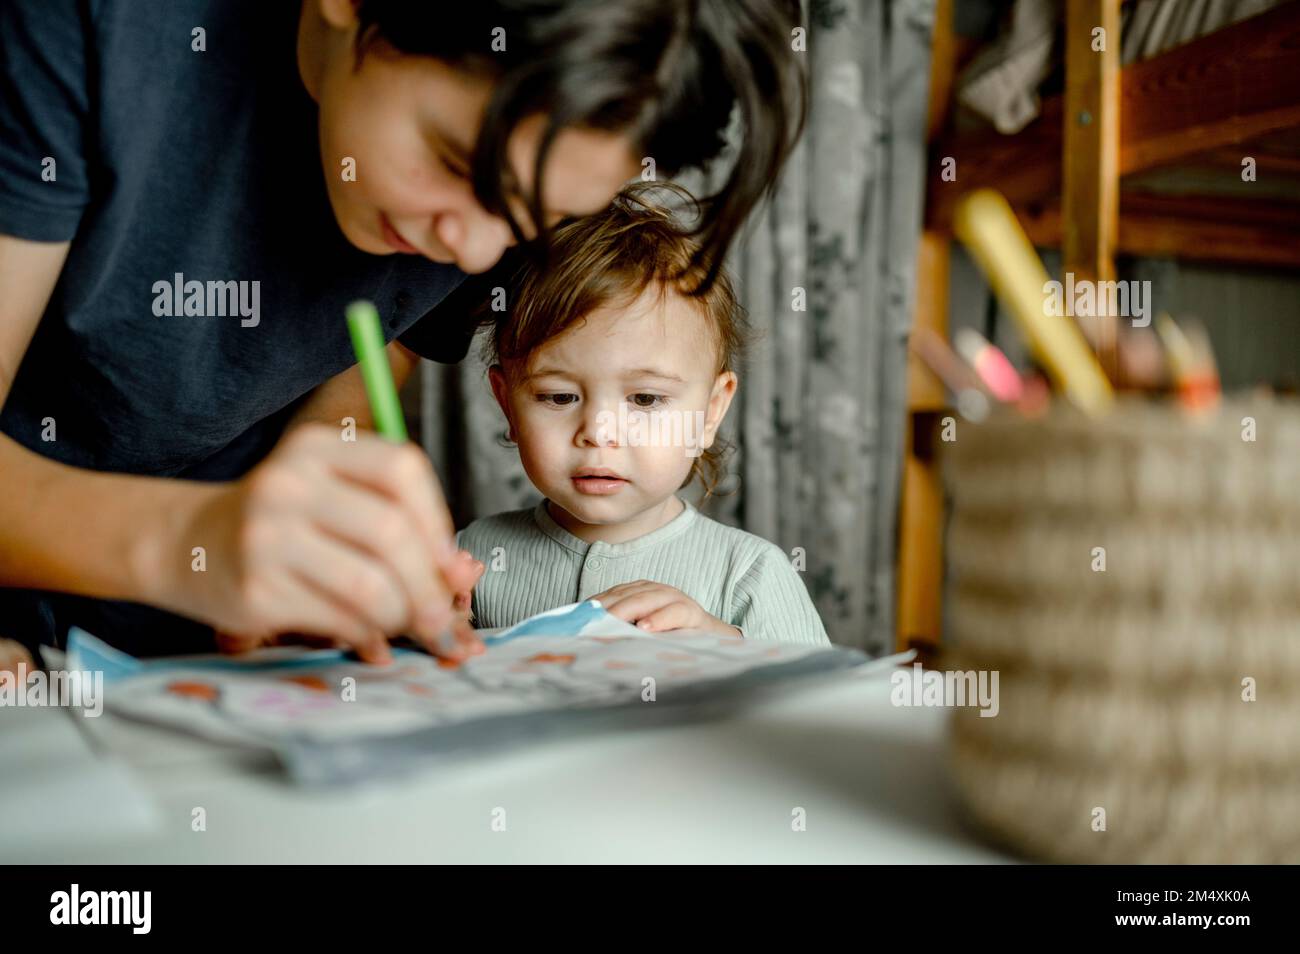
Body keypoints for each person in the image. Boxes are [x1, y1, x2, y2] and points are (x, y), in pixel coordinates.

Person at [0, 0, 806, 663]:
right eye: (456, 165)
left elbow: (362, 354)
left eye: (540, 218)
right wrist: (193, 543)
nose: (474, 251)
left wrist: (322, 532)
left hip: (216, 657)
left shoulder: (490, 205)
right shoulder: (85, 31)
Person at [459, 186, 829, 645]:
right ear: (507, 403)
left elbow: (815, 707)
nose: (598, 433)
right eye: (558, 397)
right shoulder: (471, 555)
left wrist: (724, 643)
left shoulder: (749, 574)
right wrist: (435, 632)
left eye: (646, 400)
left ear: (709, 413)